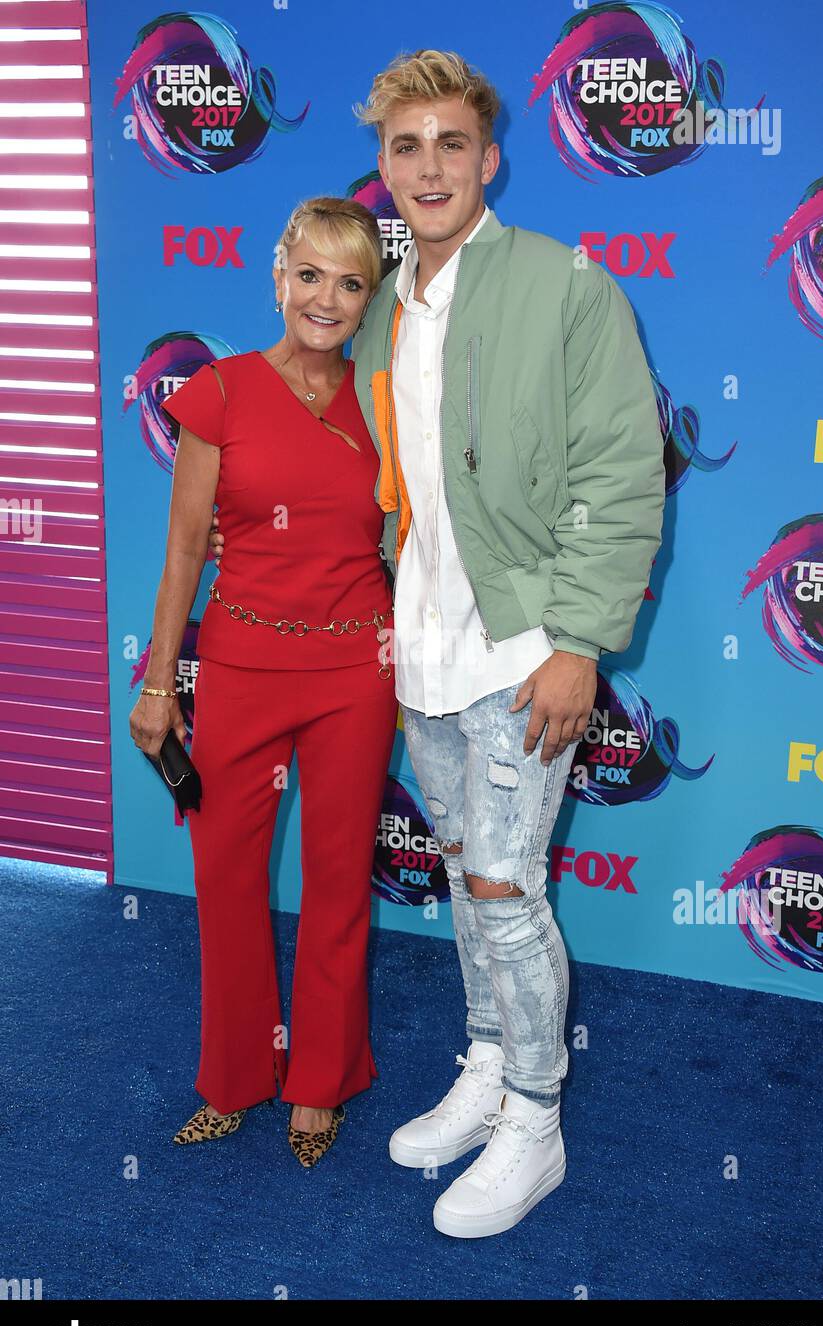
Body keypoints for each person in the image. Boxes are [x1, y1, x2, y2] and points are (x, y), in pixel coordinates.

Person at [213, 48, 665, 1233]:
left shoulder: (568, 289)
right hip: (418, 652)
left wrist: (580, 641)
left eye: (450, 144)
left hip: (526, 652)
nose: (428, 166)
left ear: (489, 157)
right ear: (382, 164)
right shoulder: (385, 299)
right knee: (472, 880)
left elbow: (622, 477)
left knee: (509, 888)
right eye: (405, 147)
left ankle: (535, 1115)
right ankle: (482, 1062)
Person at [129, 196, 398, 1167]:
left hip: (353, 673)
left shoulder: (385, 400)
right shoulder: (222, 391)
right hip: (239, 664)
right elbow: (182, 553)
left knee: (336, 882)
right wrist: (160, 684)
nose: (326, 298)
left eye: (350, 281)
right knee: (225, 880)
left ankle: (321, 1080)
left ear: (371, 296)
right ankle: (236, 1074)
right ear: (278, 276)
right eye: (310, 275)